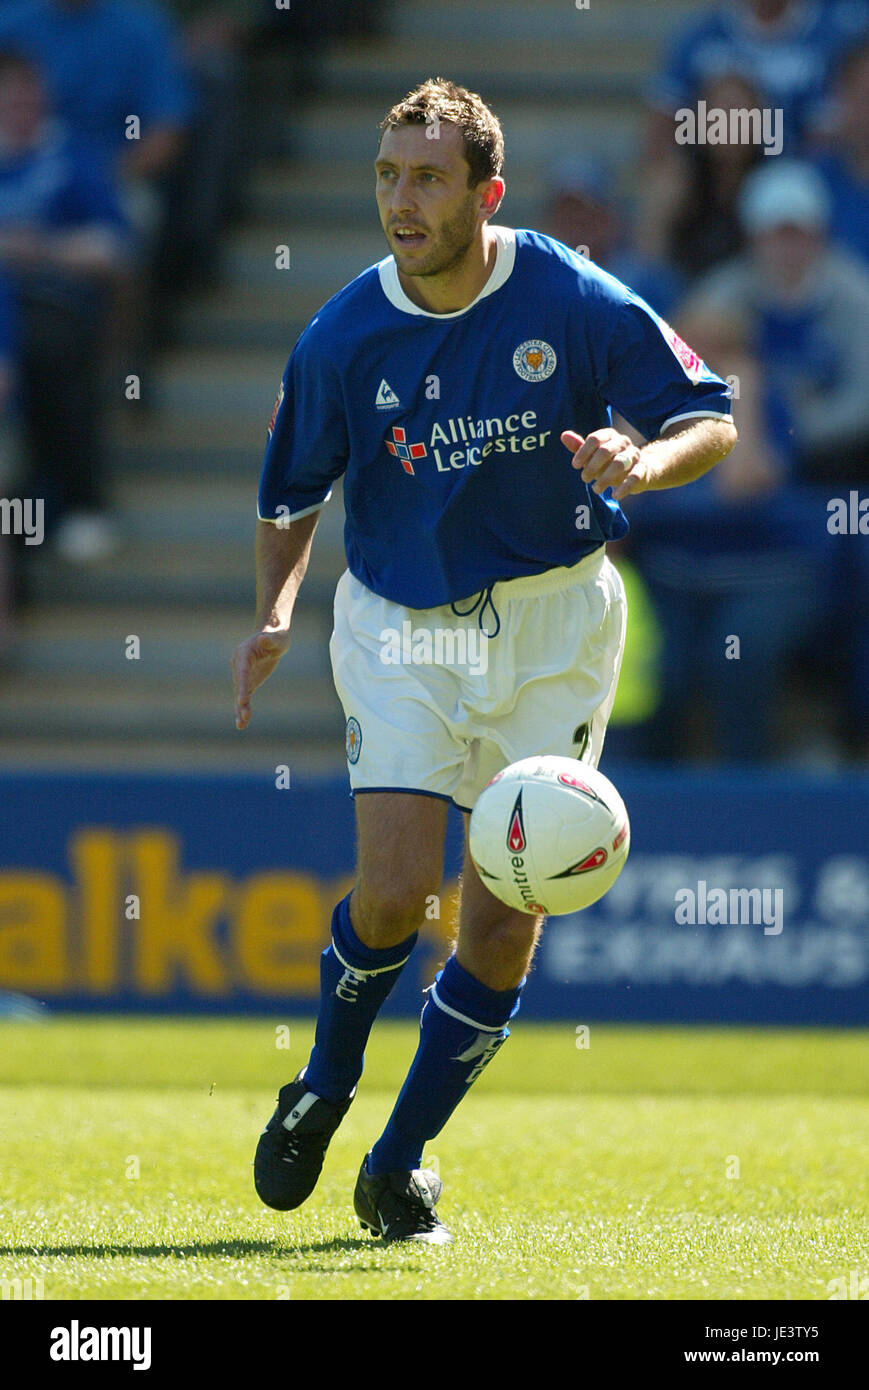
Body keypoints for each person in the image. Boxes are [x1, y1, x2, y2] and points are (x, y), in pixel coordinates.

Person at [232, 79, 737, 1244]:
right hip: (404, 627)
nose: (399, 202)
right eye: (385, 176)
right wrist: (273, 610)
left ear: (484, 194)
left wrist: (644, 462)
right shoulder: (344, 332)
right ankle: (320, 1081)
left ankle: (399, 1162)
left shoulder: (564, 290)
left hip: (558, 628)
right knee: (402, 889)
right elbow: (288, 496)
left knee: (505, 917)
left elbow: (707, 409)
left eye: (425, 179)